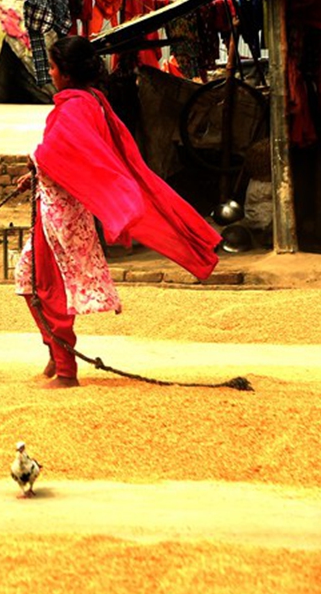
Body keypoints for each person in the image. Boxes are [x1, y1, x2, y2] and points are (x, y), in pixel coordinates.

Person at [14, 37, 222, 388]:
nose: (50, 73)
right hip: (57, 207)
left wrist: (37, 161)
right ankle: (55, 349)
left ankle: (66, 370)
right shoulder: (89, 101)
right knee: (28, 281)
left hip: (59, 219)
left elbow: (60, 153)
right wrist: (35, 171)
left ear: (66, 73)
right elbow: (74, 154)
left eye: (52, 67)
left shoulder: (75, 107)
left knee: (49, 288)